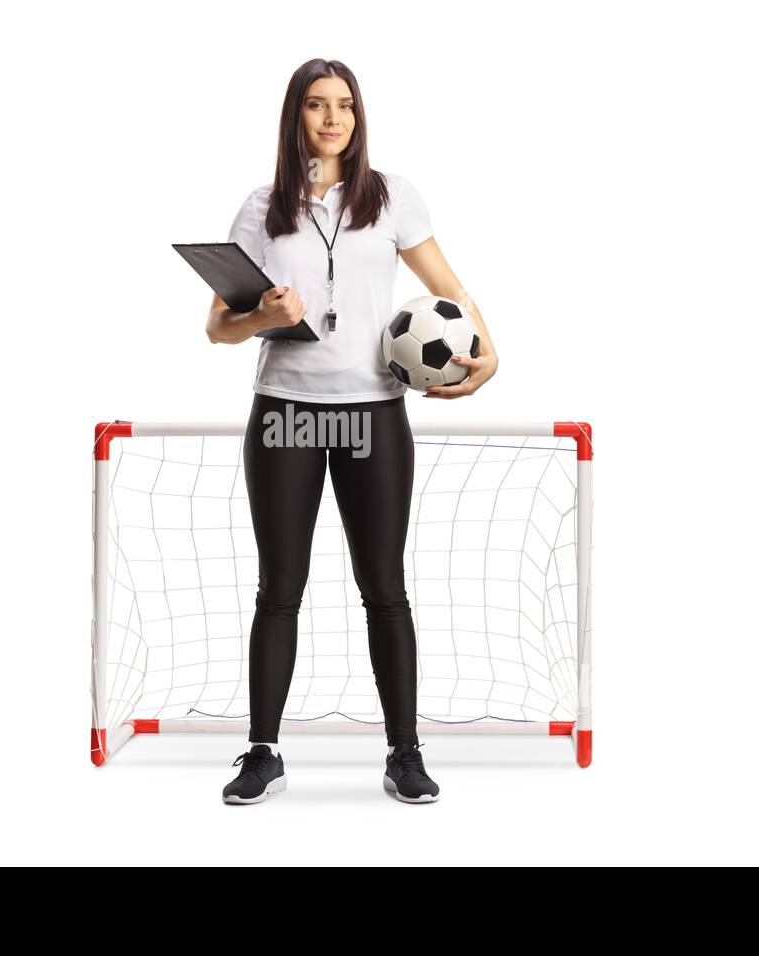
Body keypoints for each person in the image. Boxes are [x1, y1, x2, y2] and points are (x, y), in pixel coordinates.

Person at [206, 58, 499, 804]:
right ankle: (262, 751)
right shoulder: (263, 206)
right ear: (295, 117)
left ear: (358, 116)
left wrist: (488, 349)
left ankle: (405, 752)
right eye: (315, 106)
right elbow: (218, 328)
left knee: (385, 587)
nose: (332, 119)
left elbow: (449, 288)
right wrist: (263, 318)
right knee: (281, 589)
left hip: (373, 413)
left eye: (343, 106)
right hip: (286, 414)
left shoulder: (391, 197)